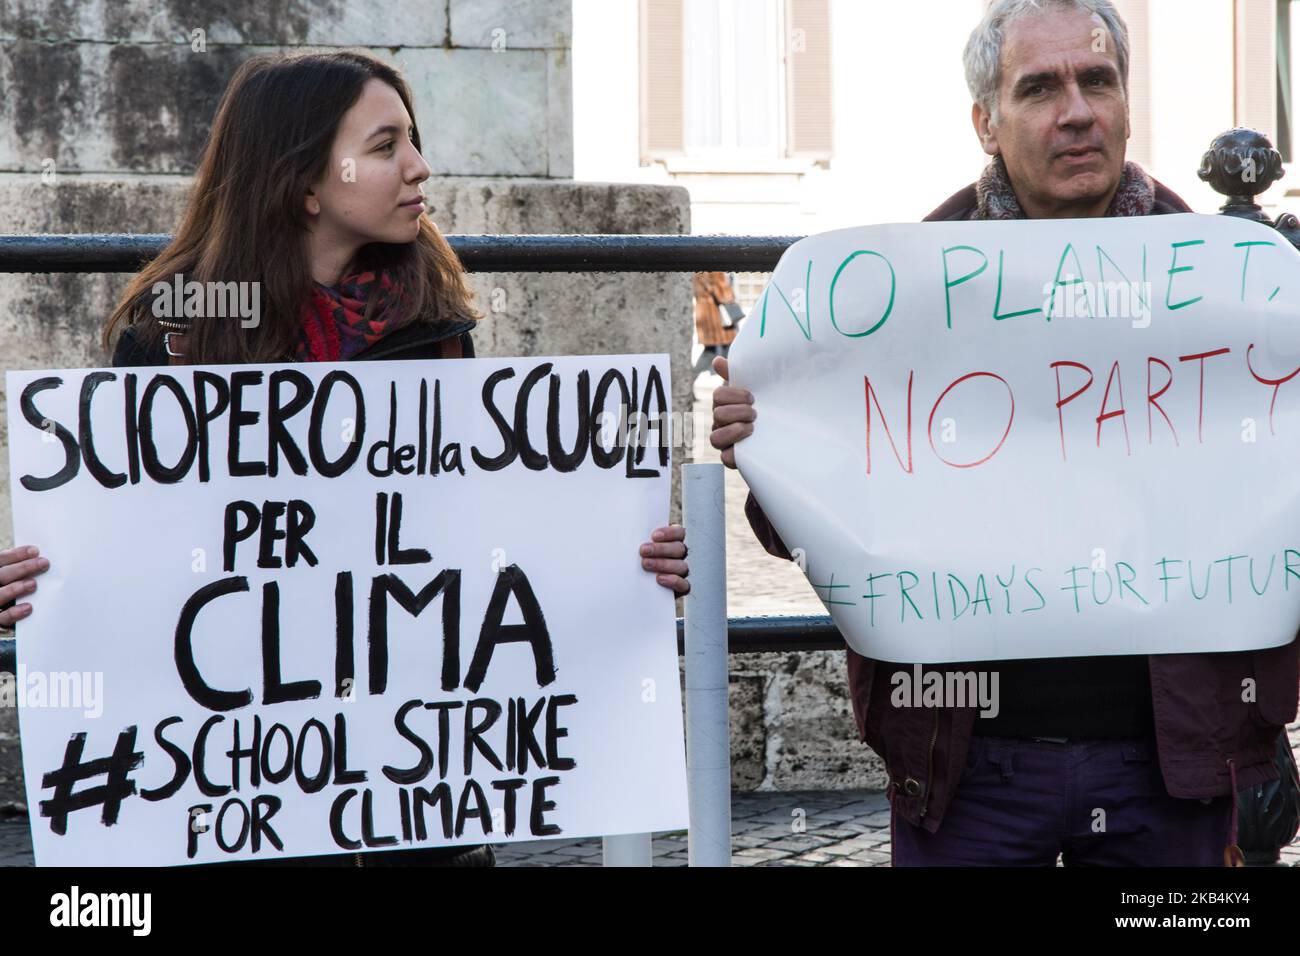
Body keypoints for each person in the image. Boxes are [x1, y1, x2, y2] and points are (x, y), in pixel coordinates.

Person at [1, 50, 691, 866]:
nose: (419, 166)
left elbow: (467, 530)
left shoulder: (432, 326)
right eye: (389, 143)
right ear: (305, 183)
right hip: (244, 786)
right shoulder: (170, 336)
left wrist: (619, 557)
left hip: (413, 786)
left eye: (413, 140)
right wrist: (46, 585)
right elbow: (134, 547)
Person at [710, 0, 1299, 866]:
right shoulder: (895, 295)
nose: (1077, 111)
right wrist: (764, 442)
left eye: (1098, 80)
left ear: (1128, 104)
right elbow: (805, 528)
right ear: (986, 121)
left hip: (1174, 761)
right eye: (1040, 88)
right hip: (966, 761)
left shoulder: (1241, 289)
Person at [692, 271, 741, 378]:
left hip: (706, 314)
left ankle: (691, 377)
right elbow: (722, 291)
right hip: (717, 317)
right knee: (729, 350)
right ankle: (730, 379)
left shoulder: (697, 271)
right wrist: (731, 297)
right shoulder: (714, 268)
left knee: (711, 350)